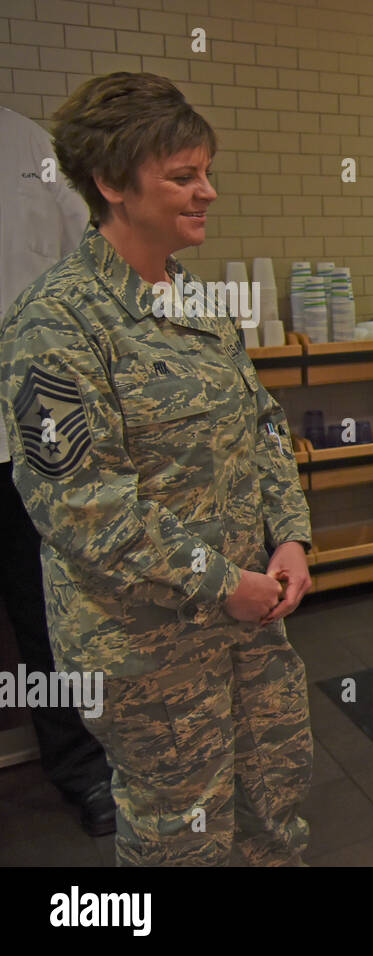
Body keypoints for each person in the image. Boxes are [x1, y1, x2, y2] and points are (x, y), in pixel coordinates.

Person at [0, 73, 314, 866]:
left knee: (274, 810)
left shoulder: (195, 302)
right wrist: (227, 584)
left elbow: (264, 423)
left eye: (207, 171)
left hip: (252, 621)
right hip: (148, 653)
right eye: (183, 176)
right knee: (182, 841)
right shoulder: (55, 323)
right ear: (111, 182)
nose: (207, 191)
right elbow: (87, 509)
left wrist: (291, 539)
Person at [0, 106, 115, 837]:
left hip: (28, 438)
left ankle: (79, 766)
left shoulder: (27, 145)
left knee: (45, 615)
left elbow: (91, 267)